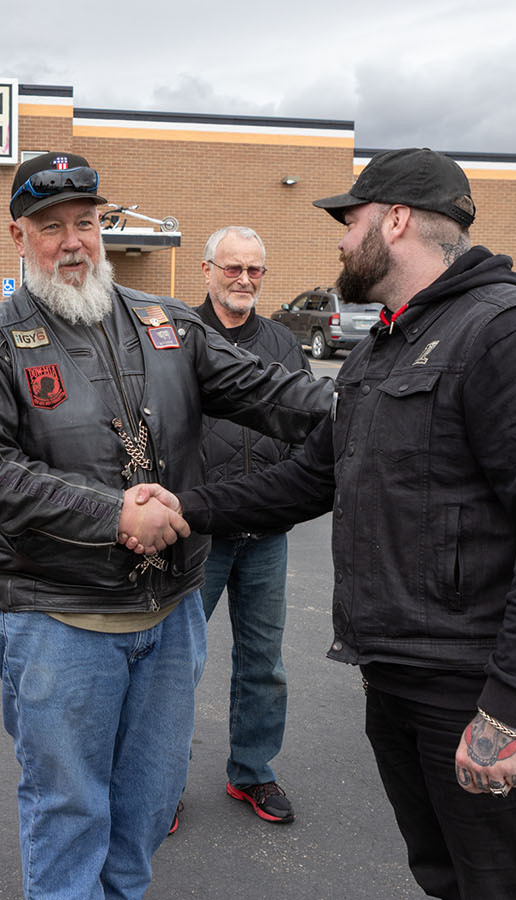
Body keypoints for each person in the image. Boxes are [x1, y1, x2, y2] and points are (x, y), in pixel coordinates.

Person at [152, 148, 516, 899]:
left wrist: (511, 709)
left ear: (394, 221)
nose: (337, 238)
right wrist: (184, 507)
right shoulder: (385, 344)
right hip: (396, 674)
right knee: (444, 877)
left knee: (504, 886)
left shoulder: (512, 334)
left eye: (348, 219)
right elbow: (310, 477)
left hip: (477, 689)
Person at [0, 151, 332, 900]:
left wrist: (367, 404)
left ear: (103, 228)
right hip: (59, 617)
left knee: (148, 808)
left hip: (171, 614)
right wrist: (112, 513)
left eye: (85, 222)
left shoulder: (169, 323)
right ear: (18, 237)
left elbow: (271, 392)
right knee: (68, 808)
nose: (71, 241)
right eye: (49, 226)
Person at [188, 225, 309, 827]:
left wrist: (281, 496)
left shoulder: (284, 343)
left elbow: (308, 427)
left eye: (254, 270)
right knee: (176, 662)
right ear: (206, 270)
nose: (243, 281)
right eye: (232, 269)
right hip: (198, 533)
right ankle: (160, 779)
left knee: (264, 661)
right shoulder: (173, 337)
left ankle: (254, 772)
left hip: (265, 533)